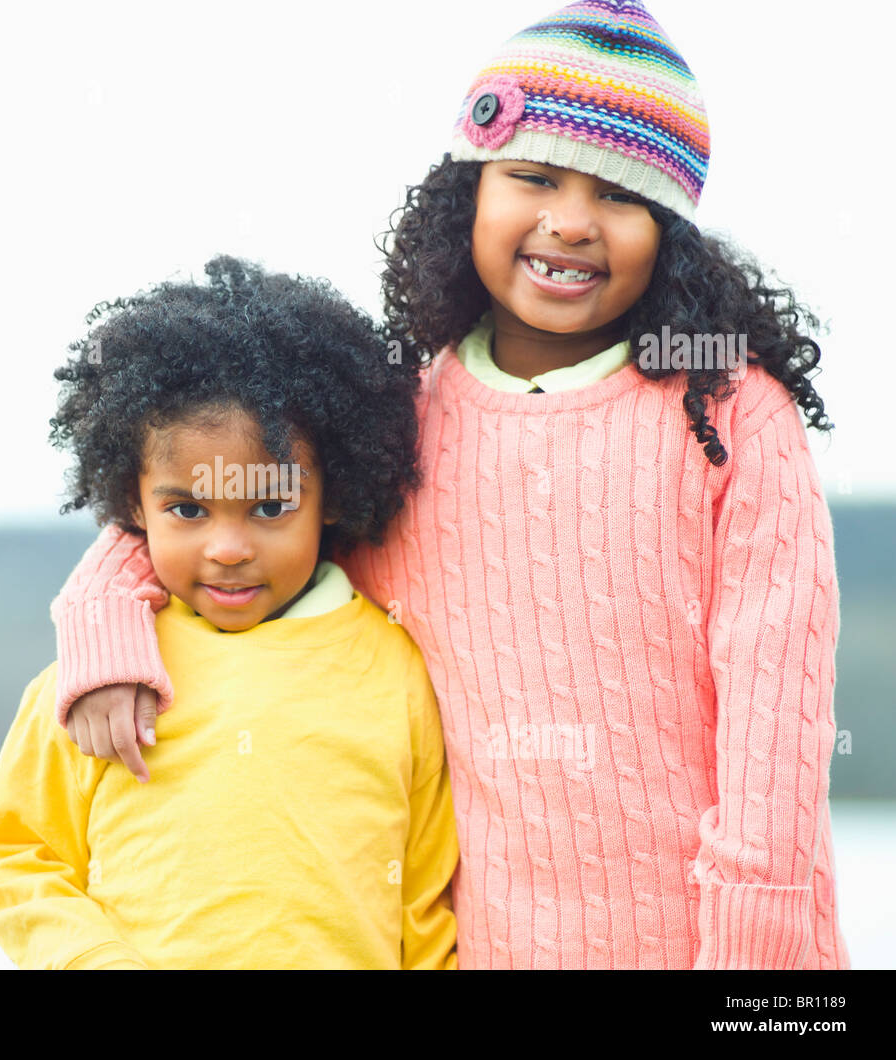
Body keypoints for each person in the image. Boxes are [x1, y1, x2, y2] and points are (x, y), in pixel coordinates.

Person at [46, 0, 849, 969]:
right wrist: (101, 620)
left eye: (618, 194)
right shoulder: (403, 422)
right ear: (467, 190)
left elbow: (778, 745)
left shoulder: (729, 417)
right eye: (533, 177)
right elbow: (221, 512)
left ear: (670, 230)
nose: (569, 221)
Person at [0, 255, 459, 969]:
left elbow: (424, 901)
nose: (228, 548)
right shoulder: (96, 680)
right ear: (134, 504)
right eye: (188, 510)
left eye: (269, 507)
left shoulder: (394, 669)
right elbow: (15, 855)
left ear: (334, 495)